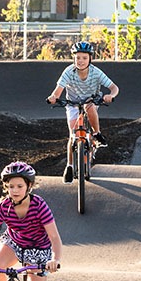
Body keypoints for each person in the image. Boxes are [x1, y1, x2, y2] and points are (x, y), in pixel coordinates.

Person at [46, 41, 120, 183]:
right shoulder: (68, 72)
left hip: (91, 100)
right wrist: (53, 98)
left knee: (88, 106)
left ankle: (96, 134)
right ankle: (69, 165)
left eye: (84, 58)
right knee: (73, 134)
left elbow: (114, 88)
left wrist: (111, 95)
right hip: (72, 103)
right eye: (78, 57)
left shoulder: (96, 72)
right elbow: (57, 91)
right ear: (73, 58)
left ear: (90, 58)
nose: (81, 61)